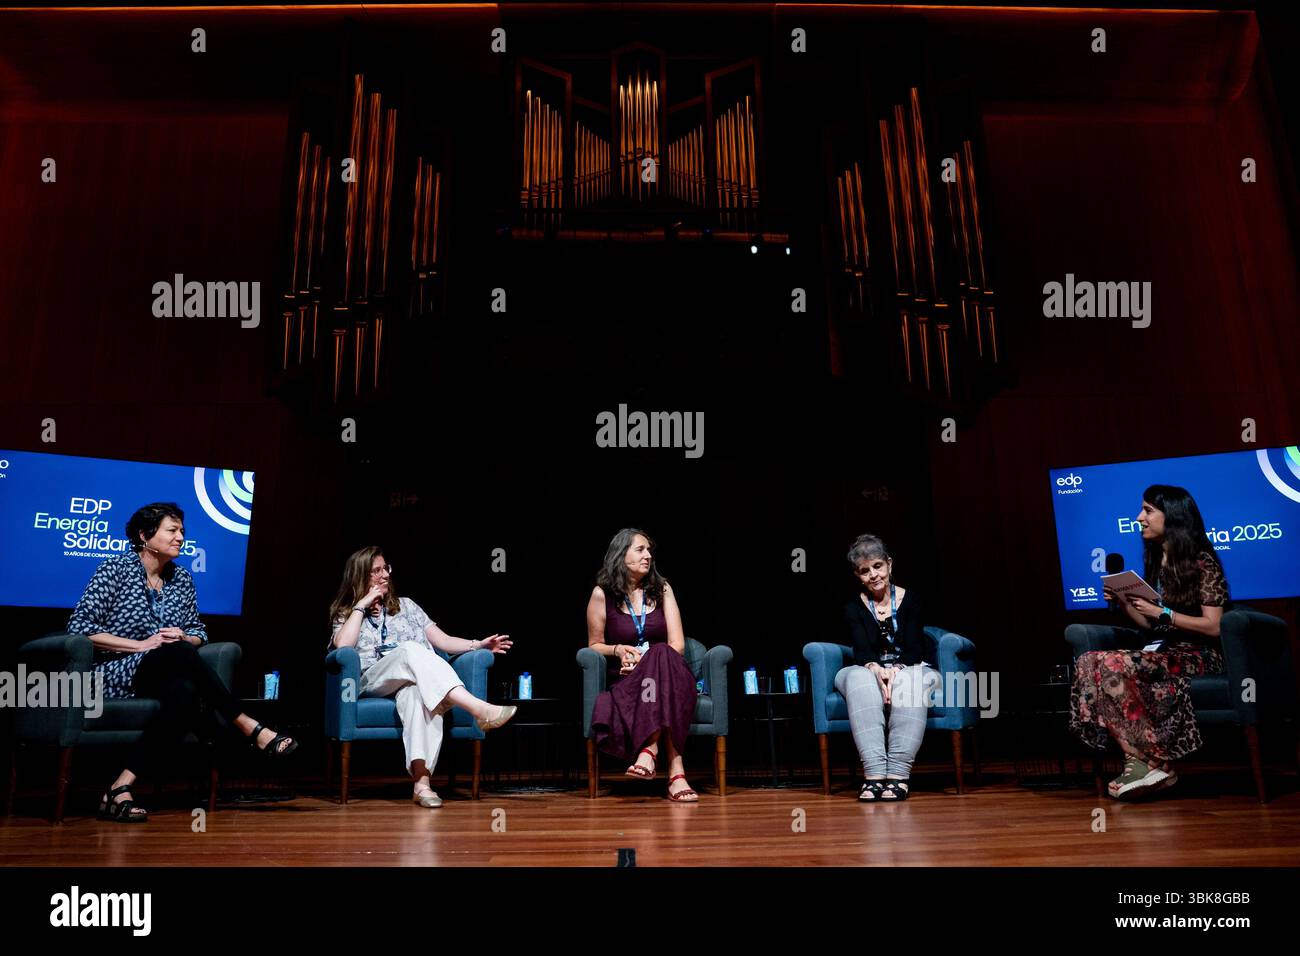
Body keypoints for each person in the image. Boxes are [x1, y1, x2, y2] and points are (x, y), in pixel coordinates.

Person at [68, 502, 298, 823]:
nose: (180, 538)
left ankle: (120, 787)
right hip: (117, 669)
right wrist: (141, 644)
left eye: (182, 532)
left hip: (167, 668)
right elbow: (81, 630)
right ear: (145, 535)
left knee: (184, 692)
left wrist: (183, 637)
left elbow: (198, 632)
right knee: (176, 655)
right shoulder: (115, 569)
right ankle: (247, 725)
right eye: (172, 531)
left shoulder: (183, 579)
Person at [1068, 485, 1228, 799]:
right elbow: (1149, 624)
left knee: (1112, 662)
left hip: (1199, 653)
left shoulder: (1202, 561)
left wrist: (1164, 613)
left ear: (1173, 516)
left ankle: (1150, 761)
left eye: (1148, 511)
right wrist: (1126, 602)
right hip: (1163, 649)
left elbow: (1214, 626)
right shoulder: (1156, 559)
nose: (1139, 517)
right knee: (1089, 660)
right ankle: (1139, 761)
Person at [327, 546, 515, 808]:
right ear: (360, 576)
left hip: (413, 679)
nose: (384, 576)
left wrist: (478, 645)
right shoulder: (346, 612)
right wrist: (361, 605)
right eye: (376, 571)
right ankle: (477, 708)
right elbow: (344, 647)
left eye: (386, 569)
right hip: (374, 680)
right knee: (410, 649)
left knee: (420, 696)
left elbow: (444, 641)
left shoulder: (407, 606)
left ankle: (422, 784)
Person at [587, 528, 699, 801]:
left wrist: (646, 664)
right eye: (640, 550)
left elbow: (678, 645)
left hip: (670, 674)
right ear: (620, 554)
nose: (648, 555)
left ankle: (649, 750)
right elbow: (593, 645)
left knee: (661, 651)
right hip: (628, 680)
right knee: (657, 666)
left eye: (649, 550)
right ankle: (676, 772)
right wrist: (616, 649)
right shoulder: (603, 594)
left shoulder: (662, 589)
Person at [833, 534, 938, 801]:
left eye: (878, 566)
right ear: (858, 575)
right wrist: (876, 669)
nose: (873, 575)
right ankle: (874, 775)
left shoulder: (912, 600)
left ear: (889, 564)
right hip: (868, 667)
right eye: (865, 571)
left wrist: (896, 669)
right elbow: (861, 649)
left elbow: (915, 647)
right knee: (859, 679)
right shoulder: (852, 607)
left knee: (909, 680)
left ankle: (898, 776)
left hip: (912, 666)